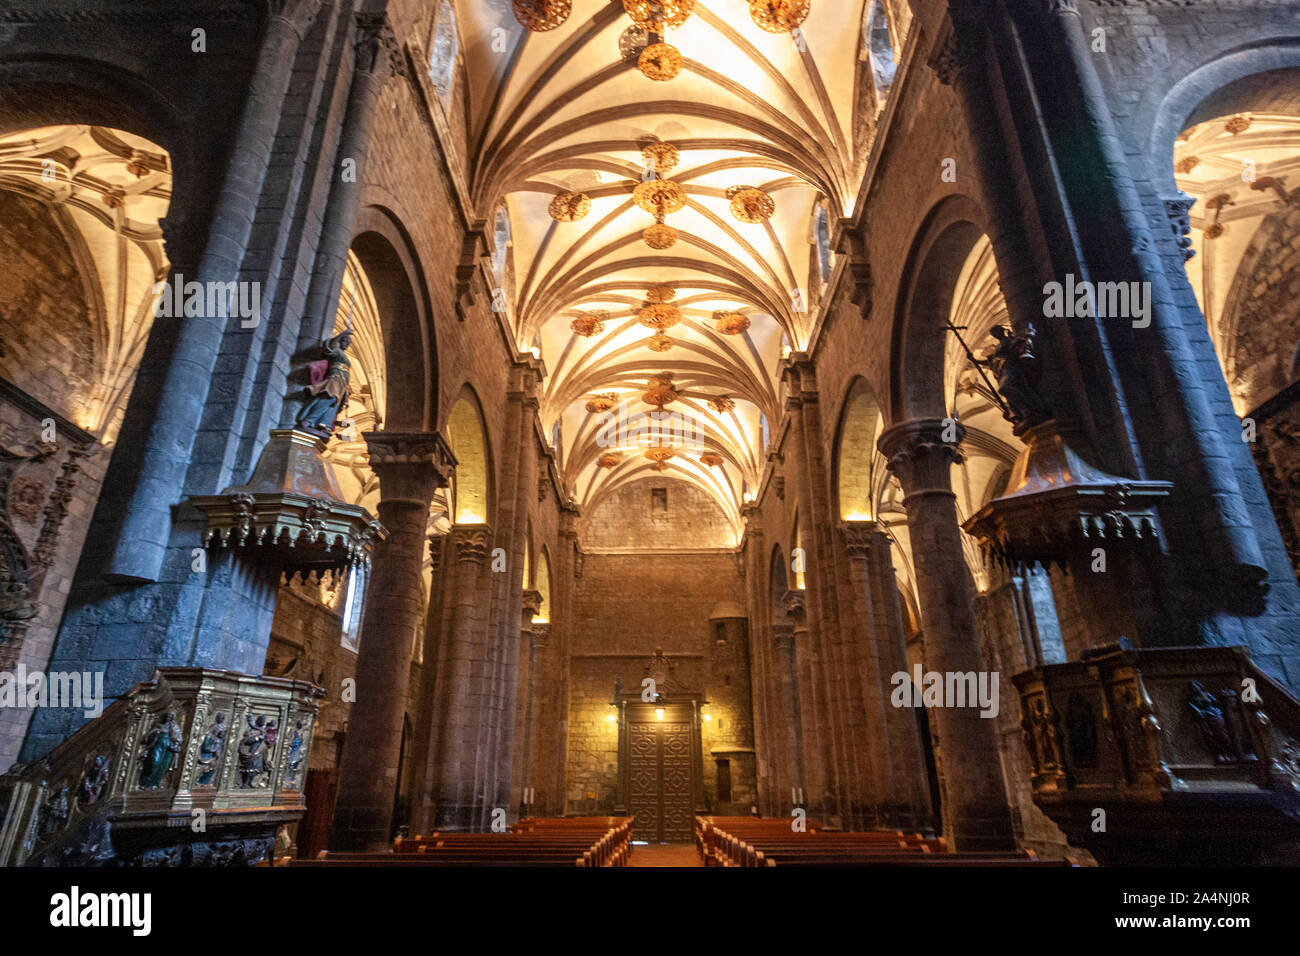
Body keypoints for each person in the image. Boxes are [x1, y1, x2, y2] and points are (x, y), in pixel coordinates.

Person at [296, 330, 353, 437]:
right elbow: (330, 347)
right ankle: (309, 420)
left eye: (348, 343)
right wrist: (342, 334)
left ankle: (324, 425)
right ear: (340, 341)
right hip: (335, 378)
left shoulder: (344, 356)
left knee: (334, 404)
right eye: (344, 341)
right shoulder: (337, 351)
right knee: (329, 397)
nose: (346, 344)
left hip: (343, 382)